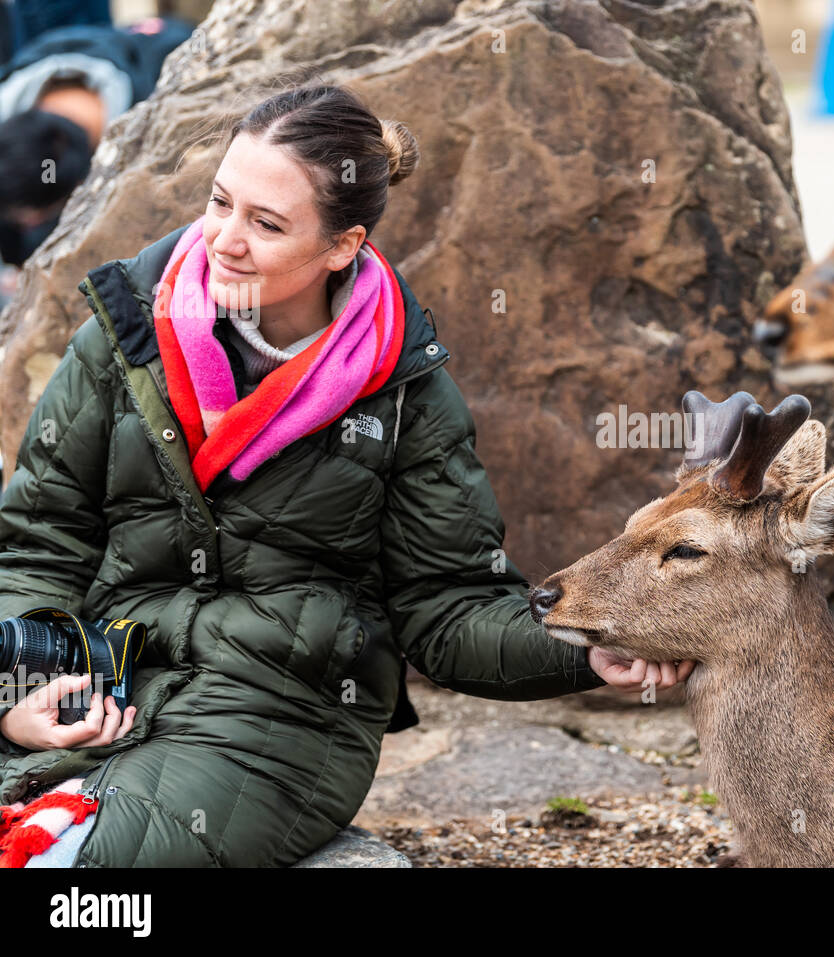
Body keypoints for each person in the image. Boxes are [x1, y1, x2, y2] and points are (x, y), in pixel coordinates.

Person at [0, 83, 693, 867]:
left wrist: (583, 647)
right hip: (103, 680)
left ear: (342, 245)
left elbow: (447, 604)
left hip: (280, 717)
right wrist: (22, 692)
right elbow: (37, 545)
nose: (225, 238)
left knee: (68, 871)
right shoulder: (123, 336)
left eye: (264, 223)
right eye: (219, 202)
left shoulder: (406, 394)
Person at [0, 14, 195, 269]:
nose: (26, 225)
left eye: (29, 219)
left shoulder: (172, 66)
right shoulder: (43, 57)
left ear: (80, 184)